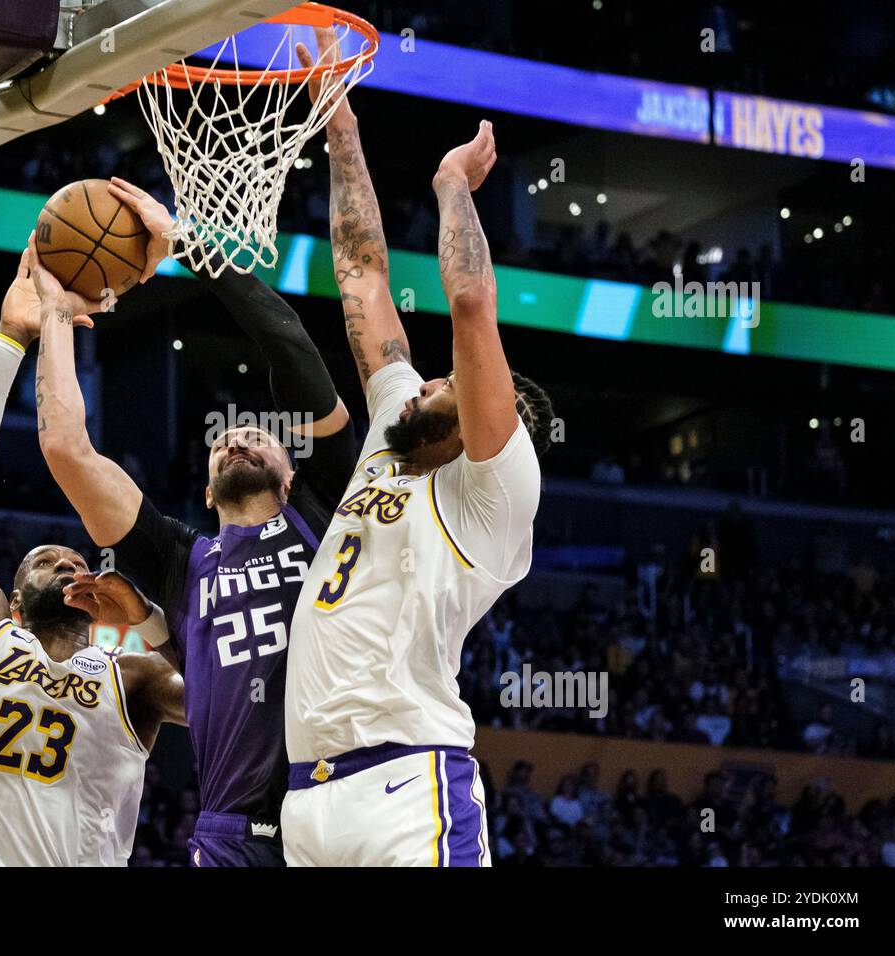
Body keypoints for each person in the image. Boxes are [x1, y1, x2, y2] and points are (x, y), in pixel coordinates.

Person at [281, 34, 551, 867]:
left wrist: (450, 184)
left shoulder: (493, 492)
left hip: (408, 782)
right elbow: (362, 273)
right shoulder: (396, 429)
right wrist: (341, 129)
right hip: (308, 796)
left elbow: (469, 303)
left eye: (448, 382)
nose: (425, 377)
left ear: (484, 421)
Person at [32, 178, 358, 867]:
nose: (237, 438)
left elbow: (287, 343)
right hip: (232, 834)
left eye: (259, 435)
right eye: (223, 441)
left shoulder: (324, 509)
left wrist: (190, 244)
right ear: (207, 494)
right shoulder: (182, 561)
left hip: (337, 817)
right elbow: (66, 450)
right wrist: (55, 318)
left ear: (291, 473)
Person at [0, 251, 184, 866]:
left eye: (75, 559)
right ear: (12, 601)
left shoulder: (134, 677)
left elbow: (234, 698)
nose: (67, 562)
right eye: (44, 560)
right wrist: (10, 338)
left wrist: (147, 619)